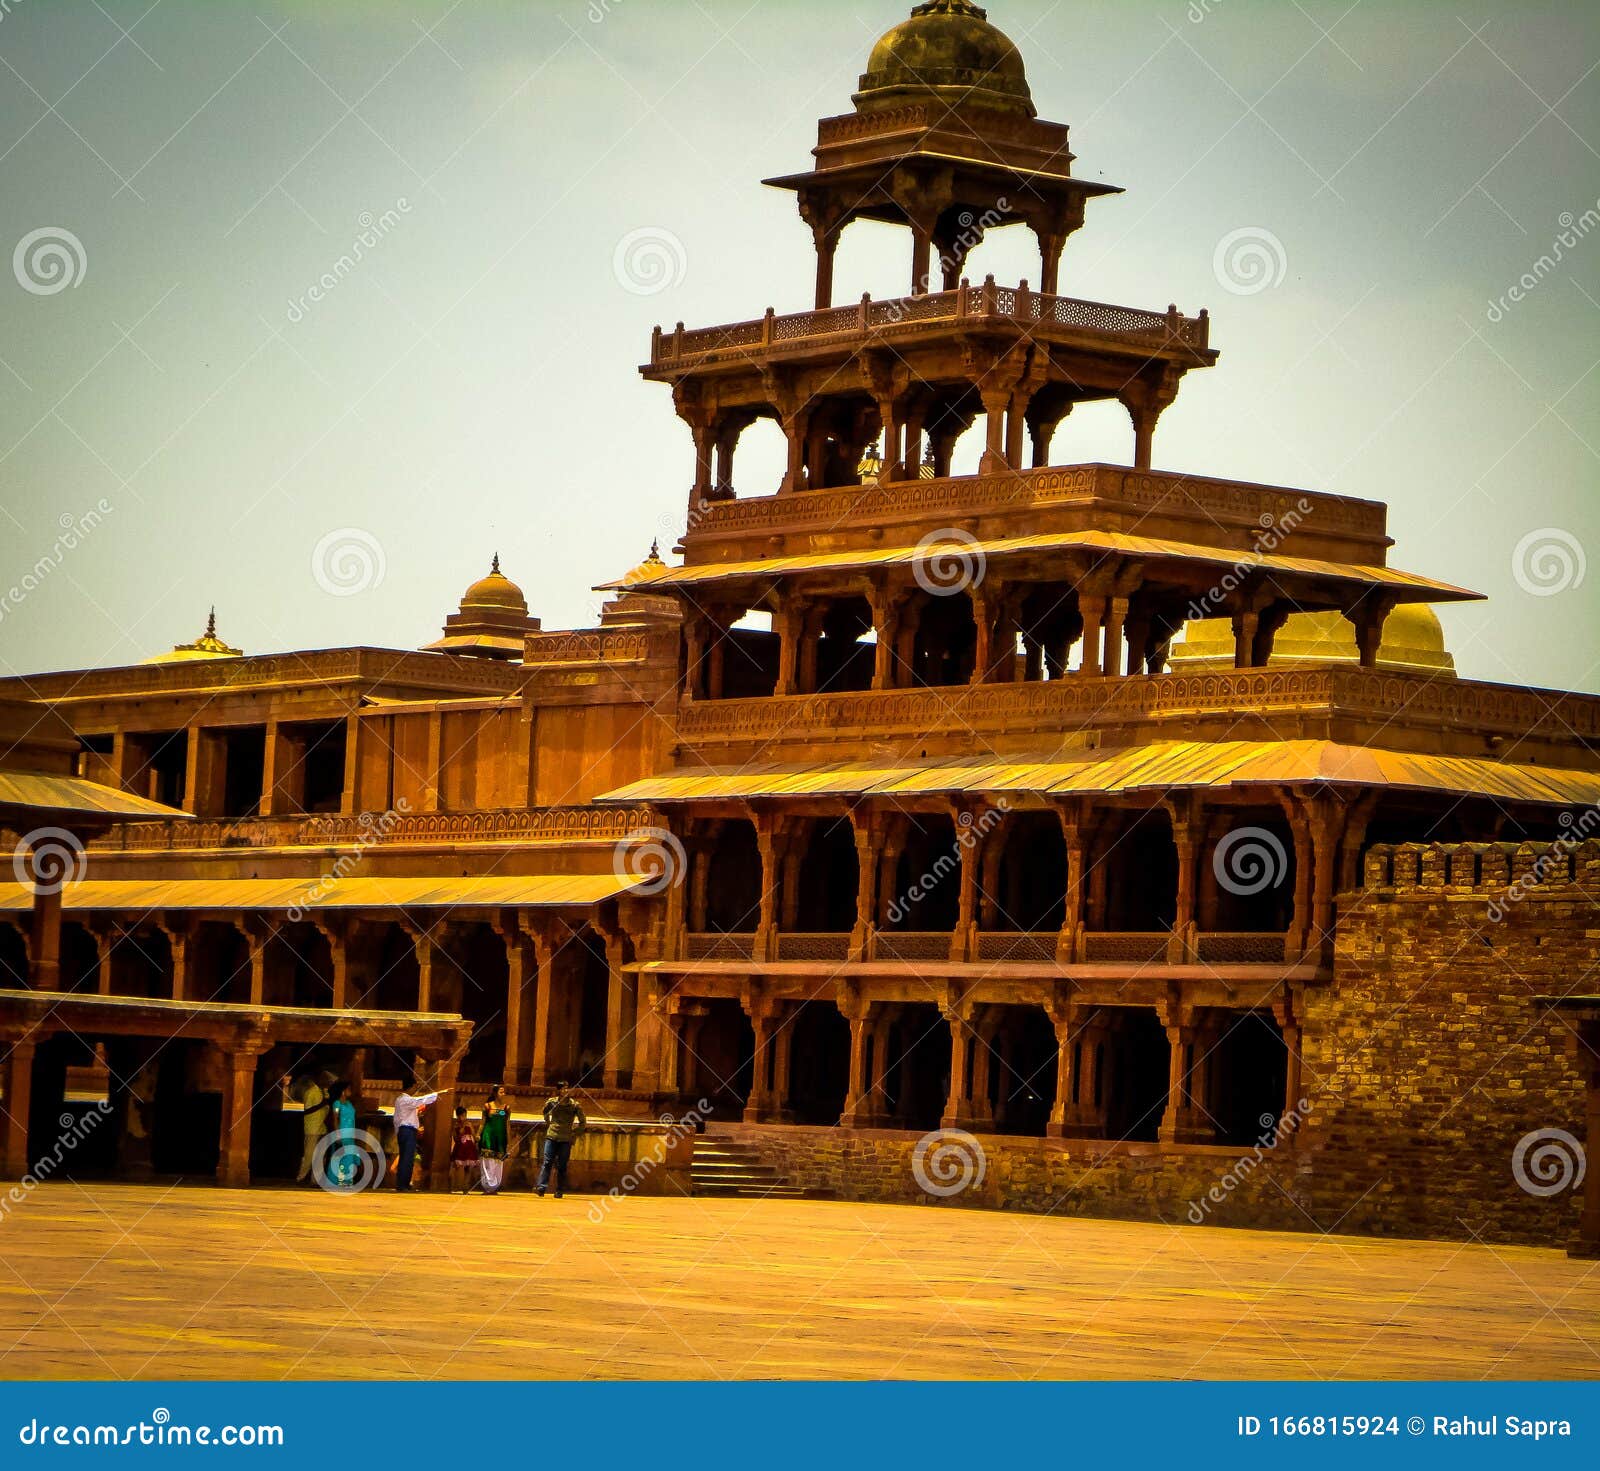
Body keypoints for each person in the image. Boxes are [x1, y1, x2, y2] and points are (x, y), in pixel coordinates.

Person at [392, 1079, 444, 1192]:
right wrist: (436, 1095)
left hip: (403, 1130)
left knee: (405, 1157)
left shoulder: (399, 1100)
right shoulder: (405, 1099)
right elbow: (419, 1100)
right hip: (407, 1130)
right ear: (410, 1087)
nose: (416, 1089)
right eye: (415, 1086)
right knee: (407, 1158)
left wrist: (398, 1131)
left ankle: (403, 1183)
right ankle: (403, 1185)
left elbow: (396, 1119)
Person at [535, 1081, 585, 1198]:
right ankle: (541, 1187)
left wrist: (574, 1133)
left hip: (566, 1137)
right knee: (547, 1162)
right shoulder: (552, 1102)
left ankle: (559, 1190)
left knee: (562, 1165)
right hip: (552, 1135)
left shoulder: (574, 1105)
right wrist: (549, 1124)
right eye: (563, 1089)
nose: (566, 1091)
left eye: (567, 1088)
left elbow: (583, 1122)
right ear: (558, 1090)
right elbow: (545, 1112)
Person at [293, 1074, 331, 1186]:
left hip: (322, 1127)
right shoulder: (311, 1092)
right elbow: (308, 1110)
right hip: (312, 1127)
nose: (328, 1082)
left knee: (320, 1155)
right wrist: (322, 1104)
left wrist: (325, 1099)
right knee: (309, 1155)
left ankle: (316, 1180)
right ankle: (301, 1177)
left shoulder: (323, 1092)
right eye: (325, 1079)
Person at [479, 1084, 511, 1195]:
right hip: (488, 1136)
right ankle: (487, 1185)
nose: (503, 1094)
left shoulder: (506, 1108)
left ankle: (495, 1186)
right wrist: (478, 1134)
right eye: (501, 1092)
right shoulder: (487, 1106)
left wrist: (508, 1140)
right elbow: (483, 1122)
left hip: (500, 1138)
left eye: (504, 1092)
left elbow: (507, 1124)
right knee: (488, 1161)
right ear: (495, 1093)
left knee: (498, 1162)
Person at [327, 1081, 358, 1188]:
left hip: (350, 1133)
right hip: (342, 1132)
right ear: (343, 1091)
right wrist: (337, 1134)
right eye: (348, 1089)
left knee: (349, 1157)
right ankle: (337, 1180)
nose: (350, 1091)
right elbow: (335, 1119)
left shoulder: (349, 1103)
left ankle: (347, 1179)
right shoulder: (337, 1103)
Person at [449, 1106, 479, 1194]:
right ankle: (453, 1185)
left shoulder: (469, 1124)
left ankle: (466, 1187)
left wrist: (475, 1139)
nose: (462, 1118)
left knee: (468, 1168)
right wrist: (460, 1134)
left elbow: (473, 1134)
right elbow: (454, 1138)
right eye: (460, 1116)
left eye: (464, 1115)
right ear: (457, 1116)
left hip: (469, 1147)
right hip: (460, 1148)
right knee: (456, 1166)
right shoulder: (455, 1126)